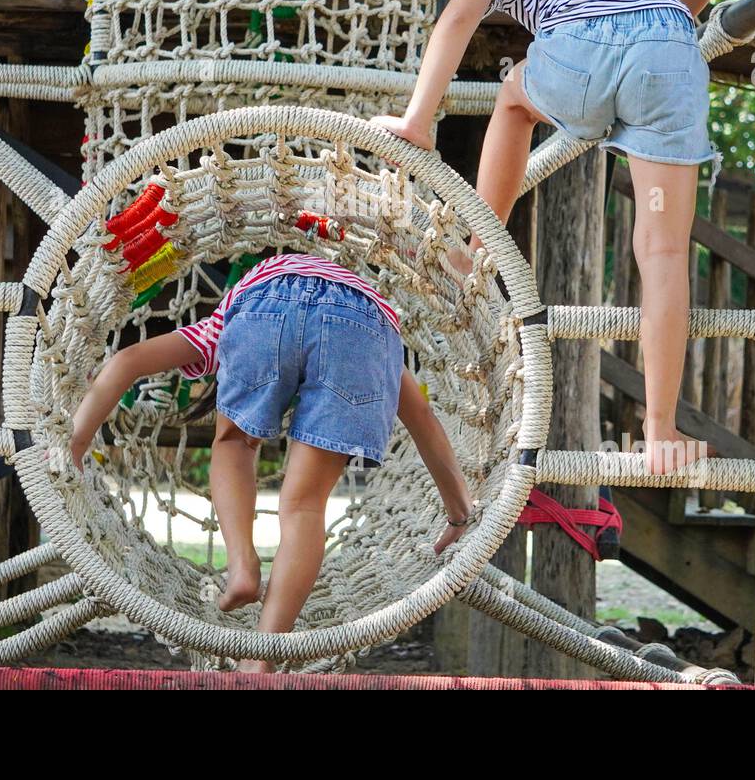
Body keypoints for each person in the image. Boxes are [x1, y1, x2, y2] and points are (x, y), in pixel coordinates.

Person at [372, 0, 723, 474]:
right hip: (671, 58)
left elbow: (457, 21)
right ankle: (660, 432)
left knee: (513, 100)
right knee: (663, 252)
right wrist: (664, 32)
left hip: (580, 57)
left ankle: (479, 249)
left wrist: (419, 121)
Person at [69, 252, 474, 671]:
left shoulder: (226, 319)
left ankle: (243, 565)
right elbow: (423, 418)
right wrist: (459, 513)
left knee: (233, 444)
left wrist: (74, 447)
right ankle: (260, 659)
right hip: (364, 326)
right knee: (304, 505)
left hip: (265, 307)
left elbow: (126, 361)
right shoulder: (373, 318)